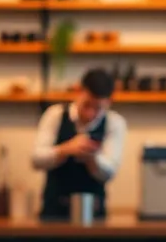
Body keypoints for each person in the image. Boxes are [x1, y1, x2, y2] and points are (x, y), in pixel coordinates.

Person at [32, 68, 127, 219]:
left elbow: (110, 172)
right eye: (87, 105)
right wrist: (66, 149)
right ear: (79, 91)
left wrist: (92, 158)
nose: (91, 113)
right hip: (54, 212)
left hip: (94, 213)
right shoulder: (54, 115)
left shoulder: (114, 123)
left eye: (98, 108)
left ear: (109, 102)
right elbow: (36, 160)